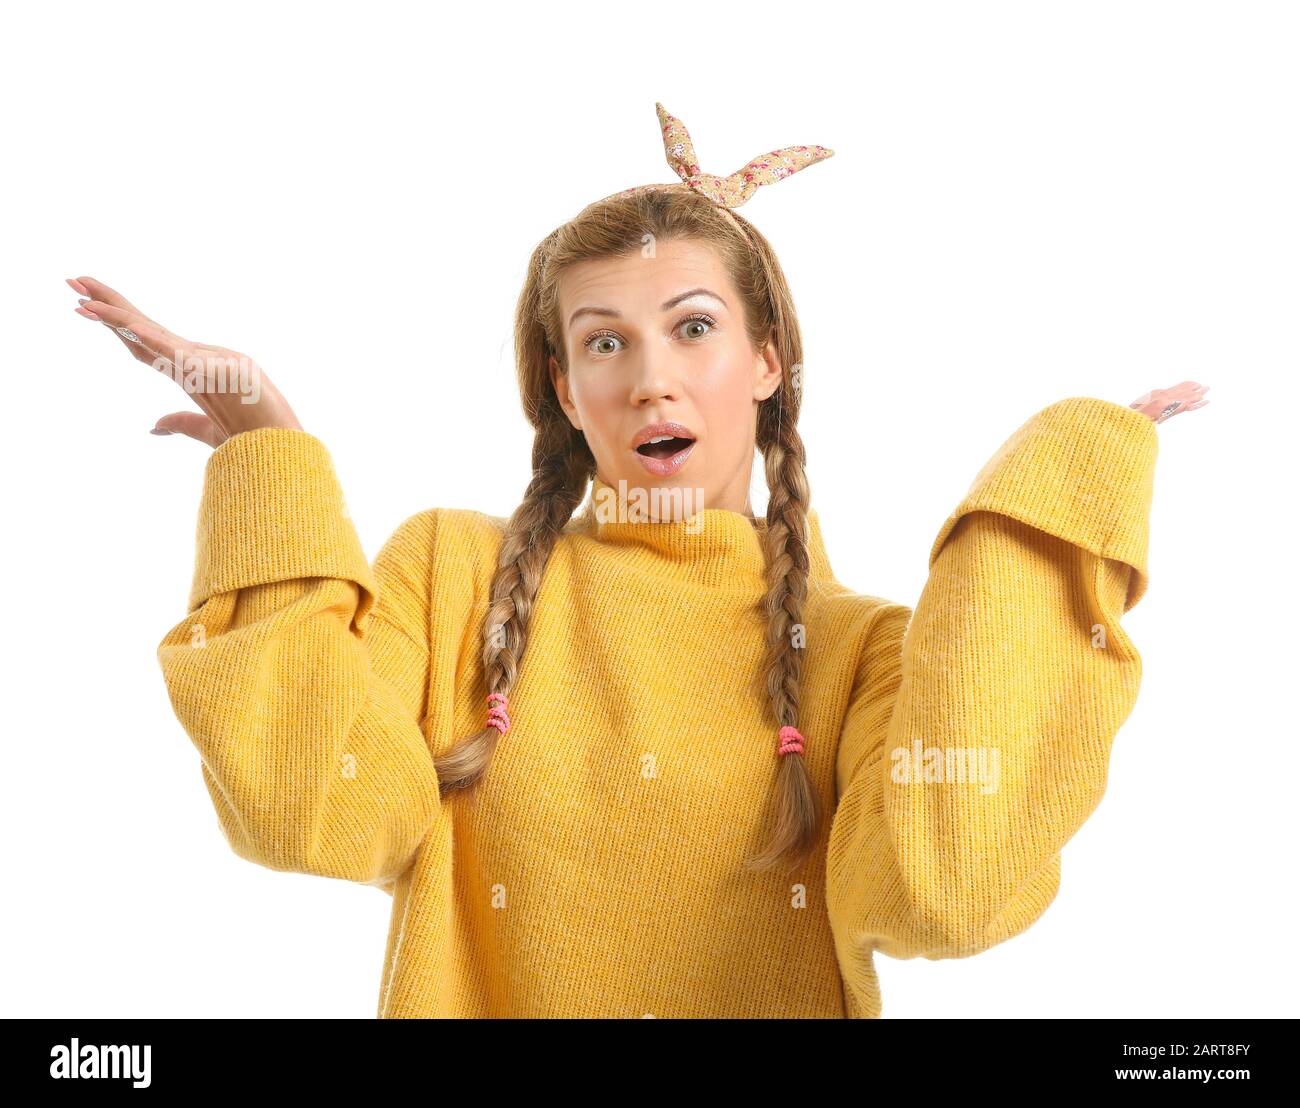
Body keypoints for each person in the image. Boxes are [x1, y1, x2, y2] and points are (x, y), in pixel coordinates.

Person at [69, 102, 1208, 1019]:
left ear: (767, 361)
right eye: (603, 339)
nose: (649, 376)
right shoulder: (450, 572)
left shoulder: (858, 649)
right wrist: (271, 454)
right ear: (567, 389)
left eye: (693, 326)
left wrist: (1043, 510)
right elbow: (305, 809)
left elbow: (943, 893)